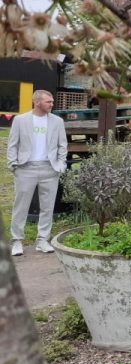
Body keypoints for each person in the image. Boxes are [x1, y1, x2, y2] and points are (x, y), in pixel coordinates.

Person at [7, 89, 68, 256]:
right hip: (25, 169)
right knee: (21, 206)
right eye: (49, 101)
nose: (52, 104)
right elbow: (12, 144)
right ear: (37, 102)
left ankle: (42, 240)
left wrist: (61, 164)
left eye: (52, 101)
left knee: (47, 207)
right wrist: (13, 165)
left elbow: (63, 145)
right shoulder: (20, 120)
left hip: (50, 169)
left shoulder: (57, 121)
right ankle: (17, 241)